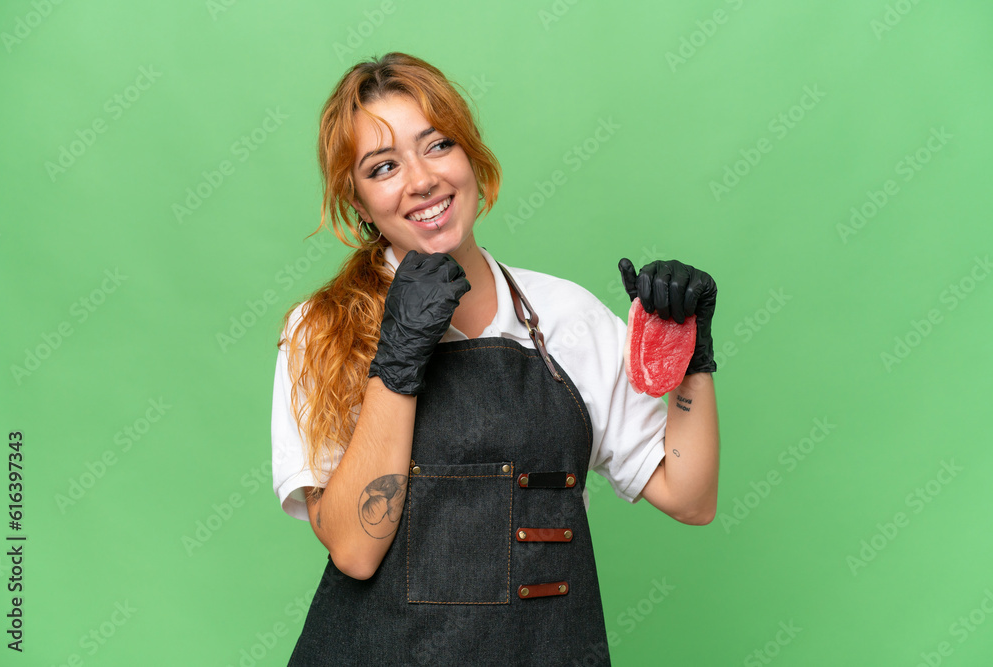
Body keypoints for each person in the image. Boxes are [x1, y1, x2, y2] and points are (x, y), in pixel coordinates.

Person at [271, 52, 720, 666]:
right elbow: (353, 549)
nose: (421, 180)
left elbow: (689, 498)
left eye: (437, 146)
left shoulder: (568, 316)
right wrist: (397, 360)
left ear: (471, 156)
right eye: (383, 167)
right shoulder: (321, 331)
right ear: (358, 201)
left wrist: (691, 357)